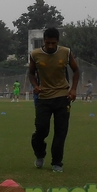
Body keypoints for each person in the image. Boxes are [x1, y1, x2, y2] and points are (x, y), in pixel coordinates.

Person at [29, 27, 79, 173]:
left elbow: (76, 70)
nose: (51, 46)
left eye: (53, 43)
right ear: (44, 41)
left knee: (60, 132)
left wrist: (73, 89)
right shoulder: (35, 54)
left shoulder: (66, 52)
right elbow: (31, 73)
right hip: (43, 98)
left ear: (57, 42)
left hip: (62, 97)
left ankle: (57, 163)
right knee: (41, 131)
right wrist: (35, 86)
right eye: (48, 43)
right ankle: (40, 153)